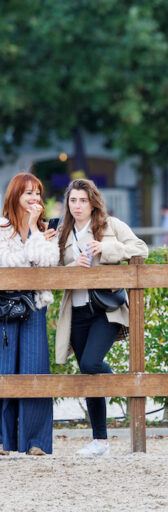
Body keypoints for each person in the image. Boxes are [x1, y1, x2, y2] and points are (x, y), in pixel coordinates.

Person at [55, 179, 148, 456]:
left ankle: (126, 388)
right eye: (73, 200)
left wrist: (104, 250)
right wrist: (74, 265)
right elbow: (54, 267)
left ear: (93, 201)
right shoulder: (62, 231)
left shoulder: (111, 225)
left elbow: (141, 249)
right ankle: (100, 441)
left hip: (106, 309)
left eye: (83, 200)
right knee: (88, 373)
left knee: (91, 362)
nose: (78, 206)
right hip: (77, 311)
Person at [0, 173, 59, 456]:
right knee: (4, 369)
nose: (35, 198)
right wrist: (32, 240)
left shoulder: (45, 229)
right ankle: (3, 440)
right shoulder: (1, 228)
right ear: (15, 197)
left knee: (35, 370)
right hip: (4, 308)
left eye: (37, 193)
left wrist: (34, 230)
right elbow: (8, 263)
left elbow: (47, 261)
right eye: (28, 194)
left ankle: (36, 441)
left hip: (35, 304)